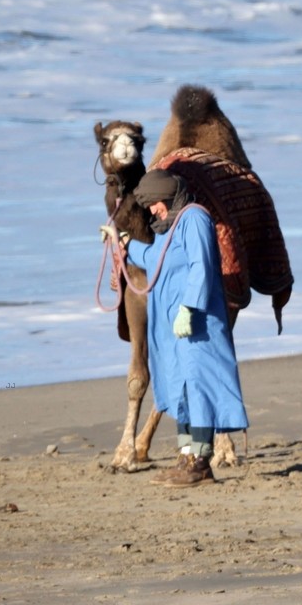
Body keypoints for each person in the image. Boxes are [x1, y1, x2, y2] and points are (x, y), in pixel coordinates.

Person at [102, 170, 248, 486]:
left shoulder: (194, 218)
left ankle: (201, 463)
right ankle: (185, 458)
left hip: (197, 325)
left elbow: (201, 265)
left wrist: (190, 307)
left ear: (167, 197)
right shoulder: (168, 229)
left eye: (154, 203)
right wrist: (122, 241)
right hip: (171, 328)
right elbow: (154, 258)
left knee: (199, 388)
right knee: (179, 390)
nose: (152, 210)